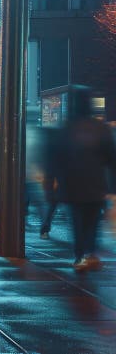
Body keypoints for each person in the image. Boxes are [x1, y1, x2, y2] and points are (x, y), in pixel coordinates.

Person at [44, 86, 116, 272]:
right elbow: (111, 159)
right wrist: (112, 187)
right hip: (95, 185)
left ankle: (79, 255)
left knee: (77, 221)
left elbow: (54, 160)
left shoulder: (66, 129)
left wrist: (50, 184)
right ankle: (90, 252)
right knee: (93, 220)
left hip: (72, 185)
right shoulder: (101, 129)